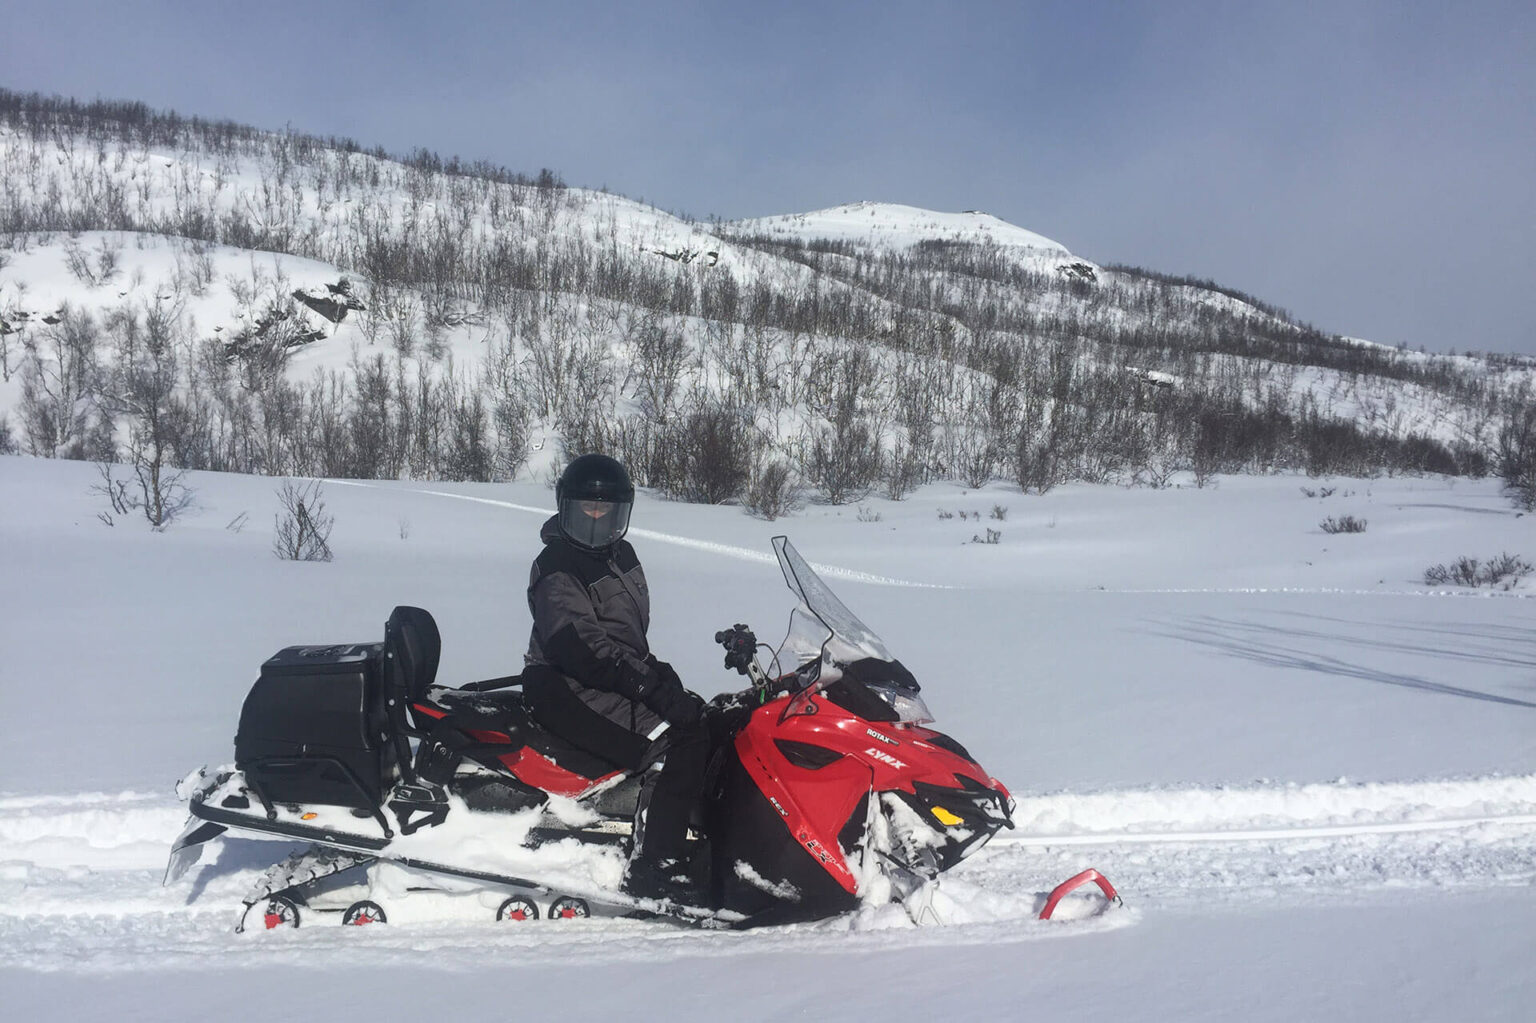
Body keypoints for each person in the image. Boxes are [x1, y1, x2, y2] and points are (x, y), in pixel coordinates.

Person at [522, 453, 711, 902]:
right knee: (674, 741)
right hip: (566, 684)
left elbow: (624, 641)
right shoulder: (557, 567)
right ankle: (654, 869)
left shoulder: (620, 555)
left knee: (708, 721)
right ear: (564, 507)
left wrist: (660, 676)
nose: (595, 519)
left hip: (606, 675)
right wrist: (651, 689)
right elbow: (582, 650)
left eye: (605, 511)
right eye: (584, 509)